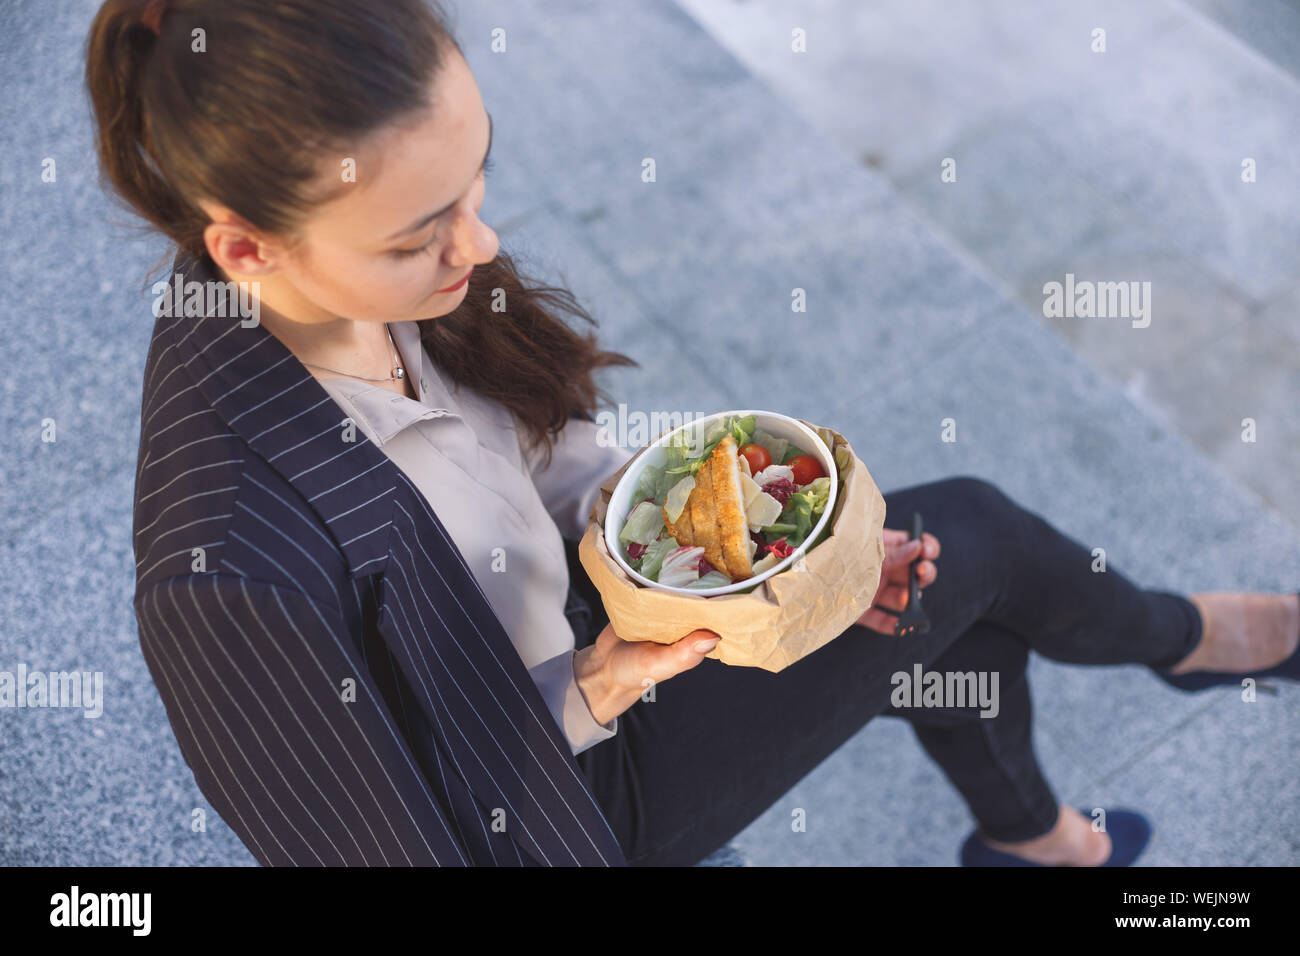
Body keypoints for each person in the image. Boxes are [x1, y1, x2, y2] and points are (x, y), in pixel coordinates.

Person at [89, 0, 1300, 867]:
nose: (483, 246)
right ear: (247, 249)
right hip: (563, 796)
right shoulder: (223, 564)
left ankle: (1037, 838)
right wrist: (603, 678)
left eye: (476, 187)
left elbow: (541, 464)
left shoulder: (412, 281)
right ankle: (1173, 649)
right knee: (971, 541)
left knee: (913, 587)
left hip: (610, 626)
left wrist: (755, 566)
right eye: (420, 233)